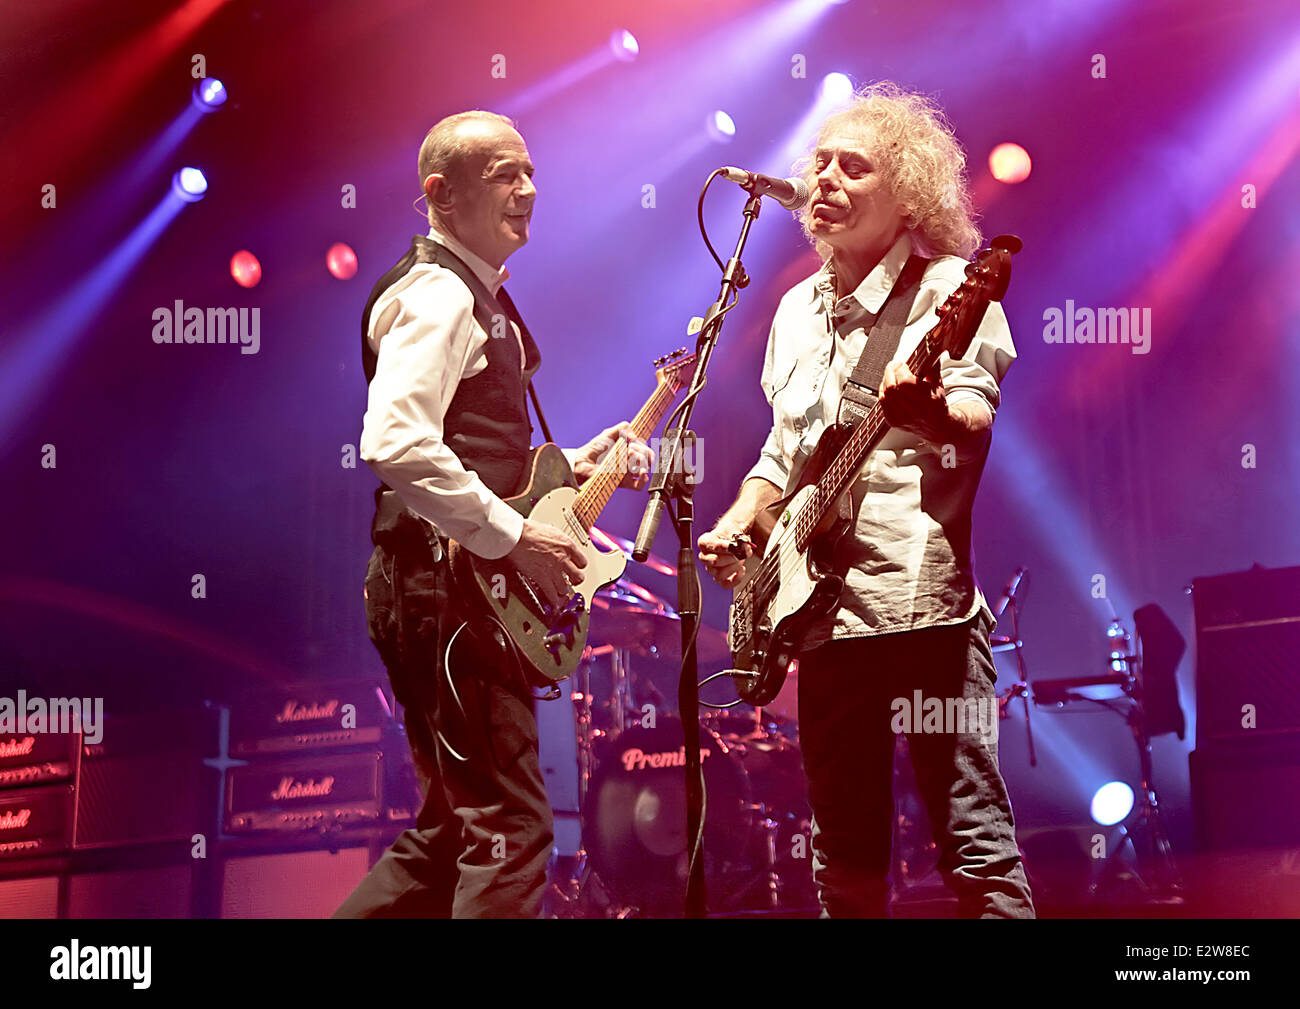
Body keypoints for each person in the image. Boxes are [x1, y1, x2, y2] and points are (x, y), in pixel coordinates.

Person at [697, 83, 1034, 918]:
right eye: (819, 164)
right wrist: (747, 512)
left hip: (922, 610)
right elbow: (787, 449)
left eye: (856, 167)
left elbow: (974, 413)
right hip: (821, 620)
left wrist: (927, 408)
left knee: (976, 848)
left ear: (908, 193)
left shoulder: (950, 288)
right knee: (842, 863)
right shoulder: (792, 313)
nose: (828, 182)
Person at [335, 110, 651, 918]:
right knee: (509, 828)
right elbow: (397, 442)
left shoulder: (472, 293)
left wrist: (575, 463)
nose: (529, 190)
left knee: (454, 829)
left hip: (442, 590)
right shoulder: (439, 293)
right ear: (440, 194)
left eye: (531, 172)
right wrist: (514, 538)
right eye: (504, 174)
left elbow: (462, 445)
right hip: (447, 597)